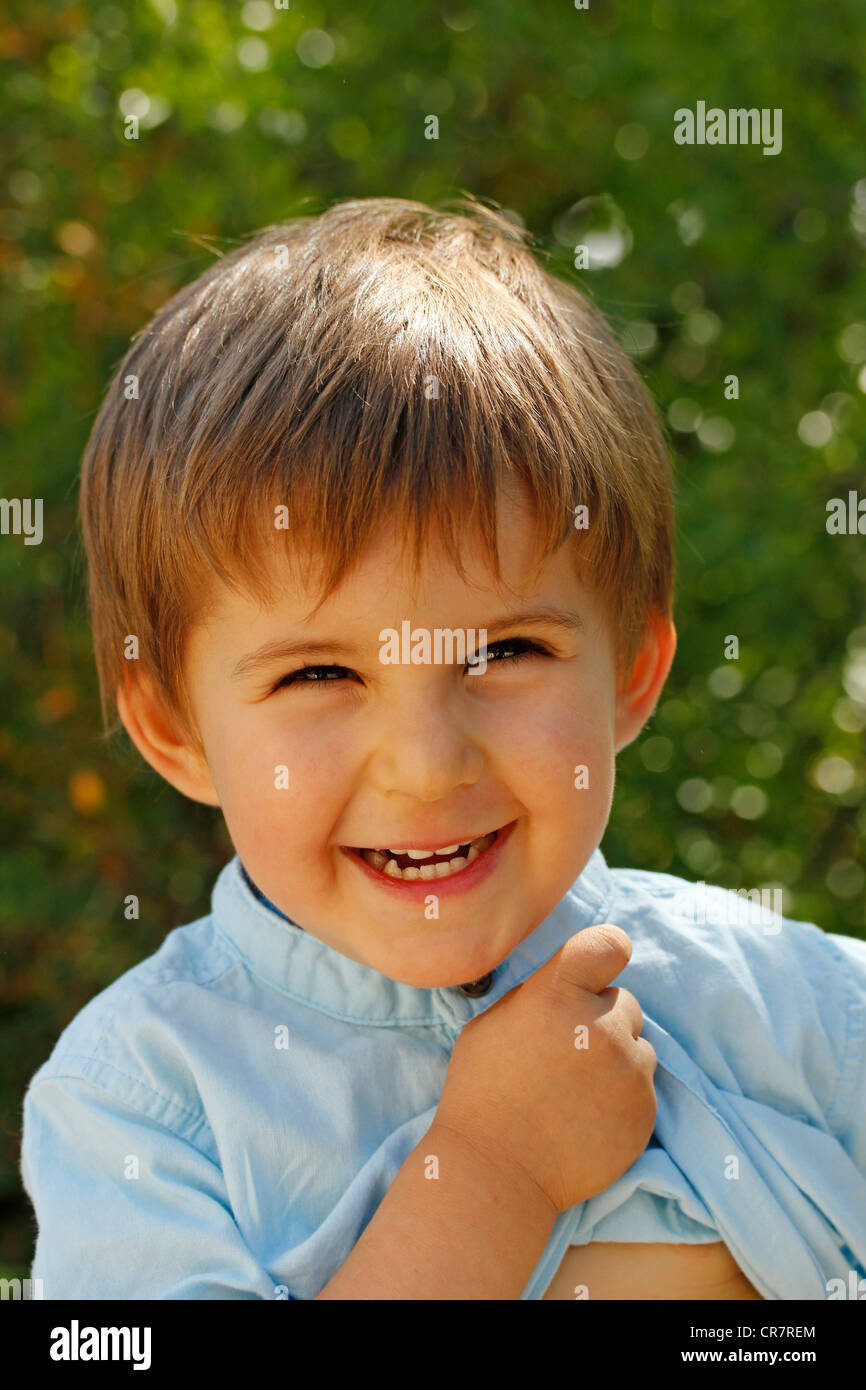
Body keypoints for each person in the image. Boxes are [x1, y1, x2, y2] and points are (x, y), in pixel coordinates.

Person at [20, 196, 866, 1299]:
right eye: (318, 674)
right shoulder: (138, 1101)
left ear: (629, 675)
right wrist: (490, 1170)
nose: (424, 763)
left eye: (504, 650)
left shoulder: (803, 1011)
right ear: (176, 733)